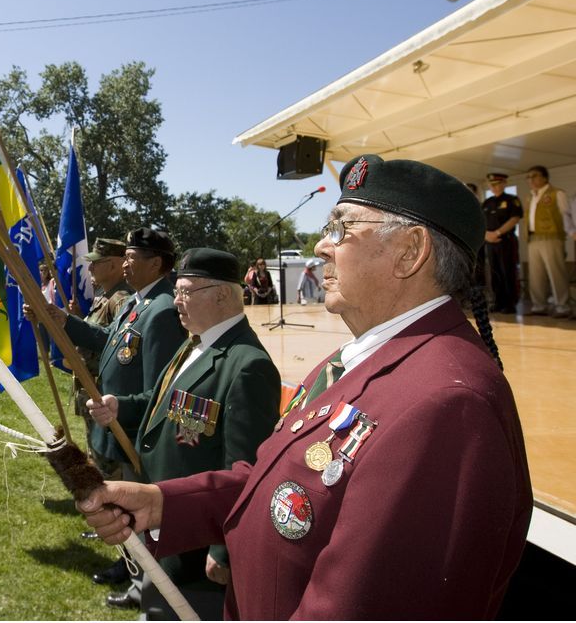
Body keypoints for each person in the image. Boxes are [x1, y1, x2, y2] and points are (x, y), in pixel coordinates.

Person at [79, 154, 532, 620]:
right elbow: (279, 484)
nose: (320, 246)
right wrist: (163, 505)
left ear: (410, 252)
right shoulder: (354, 361)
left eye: (341, 229)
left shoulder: (447, 405)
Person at [87, 247, 281, 619]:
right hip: (161, 526)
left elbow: (246, 470)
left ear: (222, 294)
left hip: (195, 546)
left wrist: (223, 550)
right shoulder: (195, 343)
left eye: (186, 291)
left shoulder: (246, 365)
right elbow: (159, 402)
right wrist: (120, 407)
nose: (176, 300)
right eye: (176, 290)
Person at [28, 227, 186, 608]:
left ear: (157, 264)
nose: (126, 264)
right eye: (126, 257)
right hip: (114, 428)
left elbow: (159, 389)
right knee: (125, 515)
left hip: (132, 435)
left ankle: (148, 592)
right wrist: (63, 320)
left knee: (138, 519)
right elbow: (107, 340)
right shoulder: (138, 302)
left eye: (133, 258)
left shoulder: (163, 310)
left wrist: (122, 410)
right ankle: (137, 584)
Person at [73, 237, 133, 480]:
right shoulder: (103, 297)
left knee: (107, 457)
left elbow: (122, 346)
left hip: (103, 392)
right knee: (95, 450)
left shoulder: (121, 300)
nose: (90, 268)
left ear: (114, 265)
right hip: (91, 389)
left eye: (96, 264)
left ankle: (115, 505)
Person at [524, 165, 571, 318]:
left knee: (556, 272)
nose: (531, 179)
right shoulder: (530, 197)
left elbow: (566, 216)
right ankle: (539, 305)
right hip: (533, 238)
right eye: (529, 177)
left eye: (534, 176)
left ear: (545, 177)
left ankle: (563, 306)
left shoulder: (557, 193)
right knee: (536, 275)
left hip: (551, 237)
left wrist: (565, 236)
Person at [483, 173, 524, 314]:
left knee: (508, 272)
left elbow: (514, 218)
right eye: (491, 185)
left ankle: (510, 303)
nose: (493, 187)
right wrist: (486, 235)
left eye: (496, 184)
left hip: (505, 241)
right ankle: (498, 302)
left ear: (504, 183)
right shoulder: (487, 202)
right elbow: (481, 222)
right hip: (490, 242)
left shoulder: (512, 200)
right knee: (495, 273)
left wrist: (497, 233)